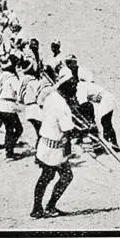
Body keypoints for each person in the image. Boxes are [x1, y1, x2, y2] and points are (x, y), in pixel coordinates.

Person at [31, 67, 80, 219]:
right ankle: (48, 206)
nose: (75, 87)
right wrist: (86, 130)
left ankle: (38, 208)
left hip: (45, 143)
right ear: (65, 86)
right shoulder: (61, 105)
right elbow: (69, 130)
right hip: (54, 148)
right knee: (65, 176)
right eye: (72, 85)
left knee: (46, 176)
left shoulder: (53, 97)